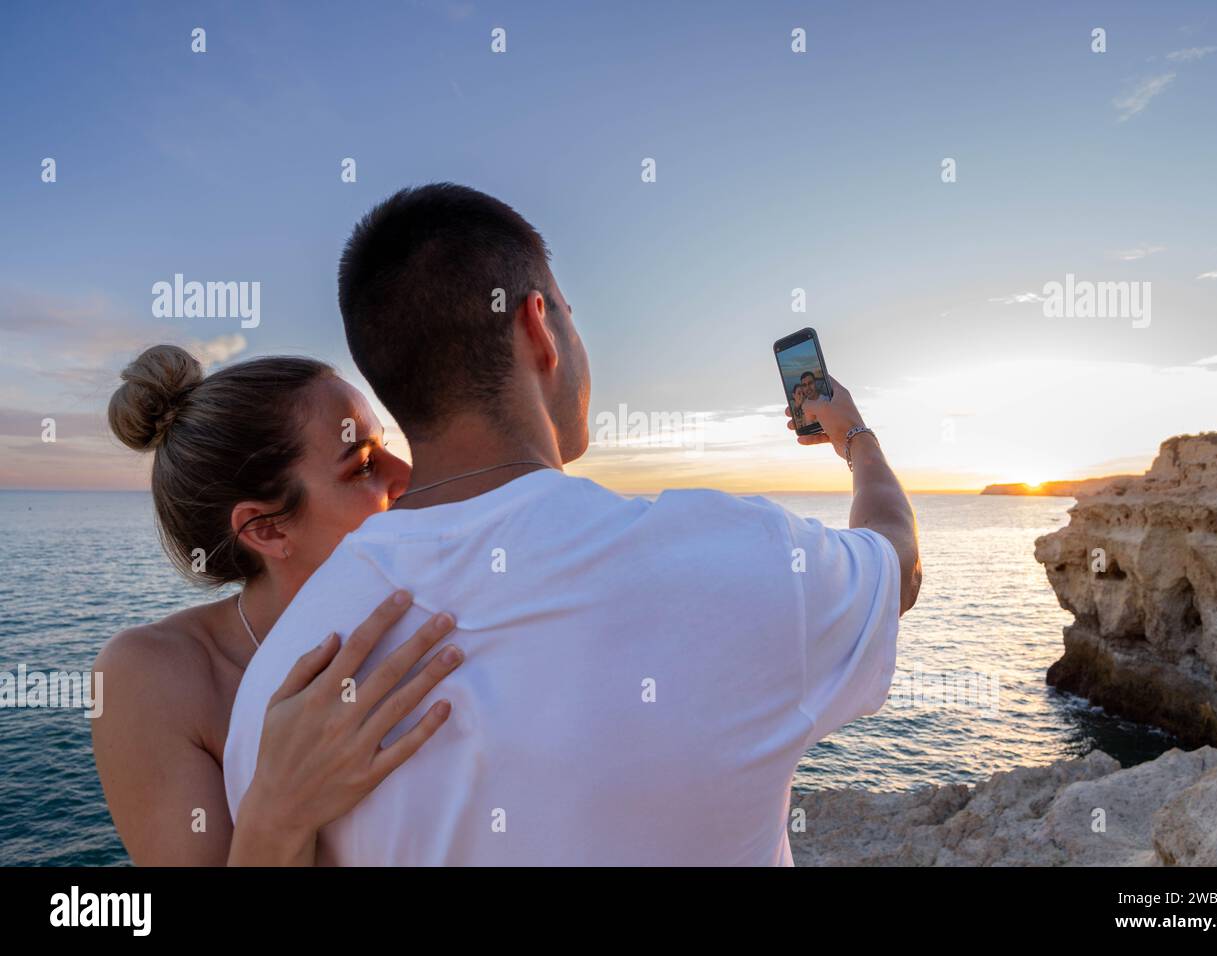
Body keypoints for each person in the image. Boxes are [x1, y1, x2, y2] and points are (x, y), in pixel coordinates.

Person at [223, 182, 922, 865]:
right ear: (537, 327)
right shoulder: (745, 555)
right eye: (569, 311)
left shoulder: (280, 699)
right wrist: (853, 435)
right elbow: (898, 564)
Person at [93, 345, 465, 865]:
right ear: (266, 529)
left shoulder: (434, 619)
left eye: (387, 448)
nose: (406, 474)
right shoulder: (153, 675)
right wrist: (282, 806)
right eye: (362, 467)